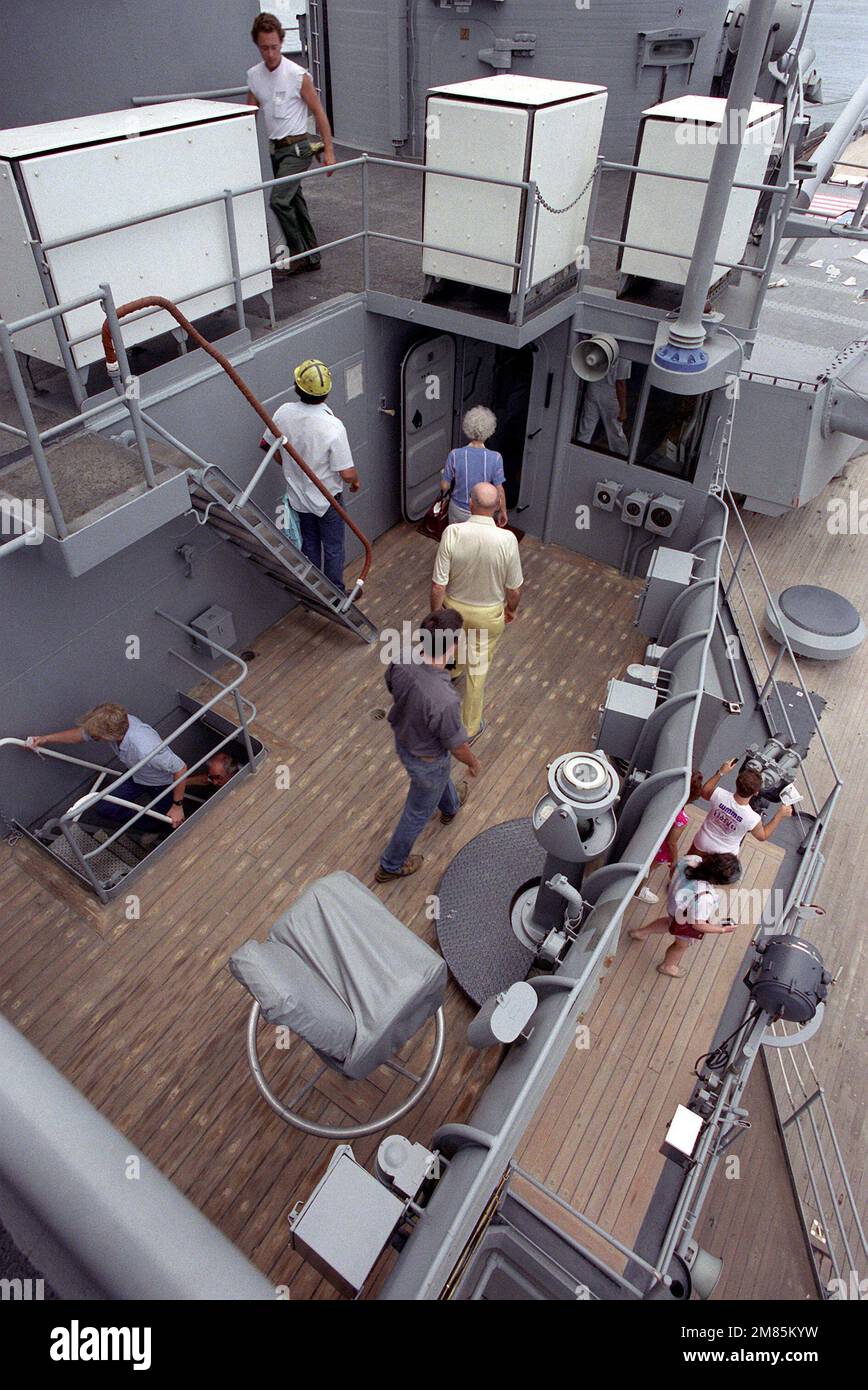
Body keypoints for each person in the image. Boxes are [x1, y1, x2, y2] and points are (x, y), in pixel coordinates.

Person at [376, 610, 481, 882]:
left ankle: (450, 806)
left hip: (404, 742)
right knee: (416, 812)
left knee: (438, 777)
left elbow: (391, 686)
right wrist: (472, 762)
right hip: (428, 760)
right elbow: (456, 746)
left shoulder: (401, 658)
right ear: (453, 646)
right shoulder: (445, 700)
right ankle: (391, 864)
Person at [430, 481, 523, 740]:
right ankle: (469, 726)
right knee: (478, 671)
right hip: (488, 614)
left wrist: (436, 616)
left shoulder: (452, 533)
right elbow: (514, 589)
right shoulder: (507, 540)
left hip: (455, 608)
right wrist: (511, 610)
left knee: (455, 640)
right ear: (496, 508)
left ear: (470, 503)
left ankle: (455, 669)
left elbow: (439, 585)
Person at [246, 12, 336, 275]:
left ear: (281, 43)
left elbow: (319, 113)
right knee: (294, 201)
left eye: (274, 47)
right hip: (276, 150)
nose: (270, 54)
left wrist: (329, 151)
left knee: (278, 201)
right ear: (258, 45)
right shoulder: (254, 76)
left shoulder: (297, 75)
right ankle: (313, 255)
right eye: (264, 48)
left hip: (298, 149)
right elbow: (248, 116)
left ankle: (298, 255)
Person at [263, 358, 360, 590]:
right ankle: (336, 591)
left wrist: (290, 467)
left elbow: (269, 446)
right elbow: (346, 473)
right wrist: (355, 481)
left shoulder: (283, 413)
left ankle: (315, 590)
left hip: (298, 497)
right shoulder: (333, 426)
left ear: (297, 386)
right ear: (326, 393)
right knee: (334, 547)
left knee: (310, 545)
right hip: (328, 501)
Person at [26, 704, 188, 830]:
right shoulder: (119, 724)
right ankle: (154, 827)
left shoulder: (146, 748)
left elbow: (180, 768)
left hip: (161, 784)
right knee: (107, 808)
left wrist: (177, 805)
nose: (93, 737)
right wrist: (45, 739)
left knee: (172, 819)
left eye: (97, 736)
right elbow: (80, 735)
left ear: (111, 735)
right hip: (137, 775)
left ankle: (168, 830)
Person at [629, 851, 741, 979]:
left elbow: (673, 873)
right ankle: (667, 966)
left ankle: (640, 933)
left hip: (673, 905)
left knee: (668, 922)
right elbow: (698, 925)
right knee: (681, 945)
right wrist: (721, 929)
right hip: (683, 918)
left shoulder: (691, 859)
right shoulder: (704, 897)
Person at [692, 759, 792, 857]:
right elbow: (762, 836)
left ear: (737, 783)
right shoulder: (752, 818)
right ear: (756, 792)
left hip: (702, 843)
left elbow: (705, 791)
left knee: (687, 868)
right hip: (724, 858)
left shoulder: (719, 795)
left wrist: (721, 772)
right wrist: (780, 815)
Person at [635, 769, 703, 905]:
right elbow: (671, 842)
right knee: (647, 869)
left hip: (646, 837)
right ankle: (637, 890)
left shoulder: (664, 799)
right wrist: (674, 859)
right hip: (658, 849)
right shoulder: (681, 819)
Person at [439, 406, 508, 526]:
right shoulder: (496, 457)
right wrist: (503, 511)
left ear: (467, 428)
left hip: (458, 508)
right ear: (489, 431)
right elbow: (500, 490)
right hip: (482, 512)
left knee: (457, 539)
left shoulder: (455, 454)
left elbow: (445, 486)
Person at [576, 358, 632, 456]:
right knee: (614, 431)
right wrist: (623, 409)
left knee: (586, 427)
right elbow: (620, 384)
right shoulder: (625, 356)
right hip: (610, 393)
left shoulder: (600, 344)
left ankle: (577, 453)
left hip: (593, 387)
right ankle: (621, 457)